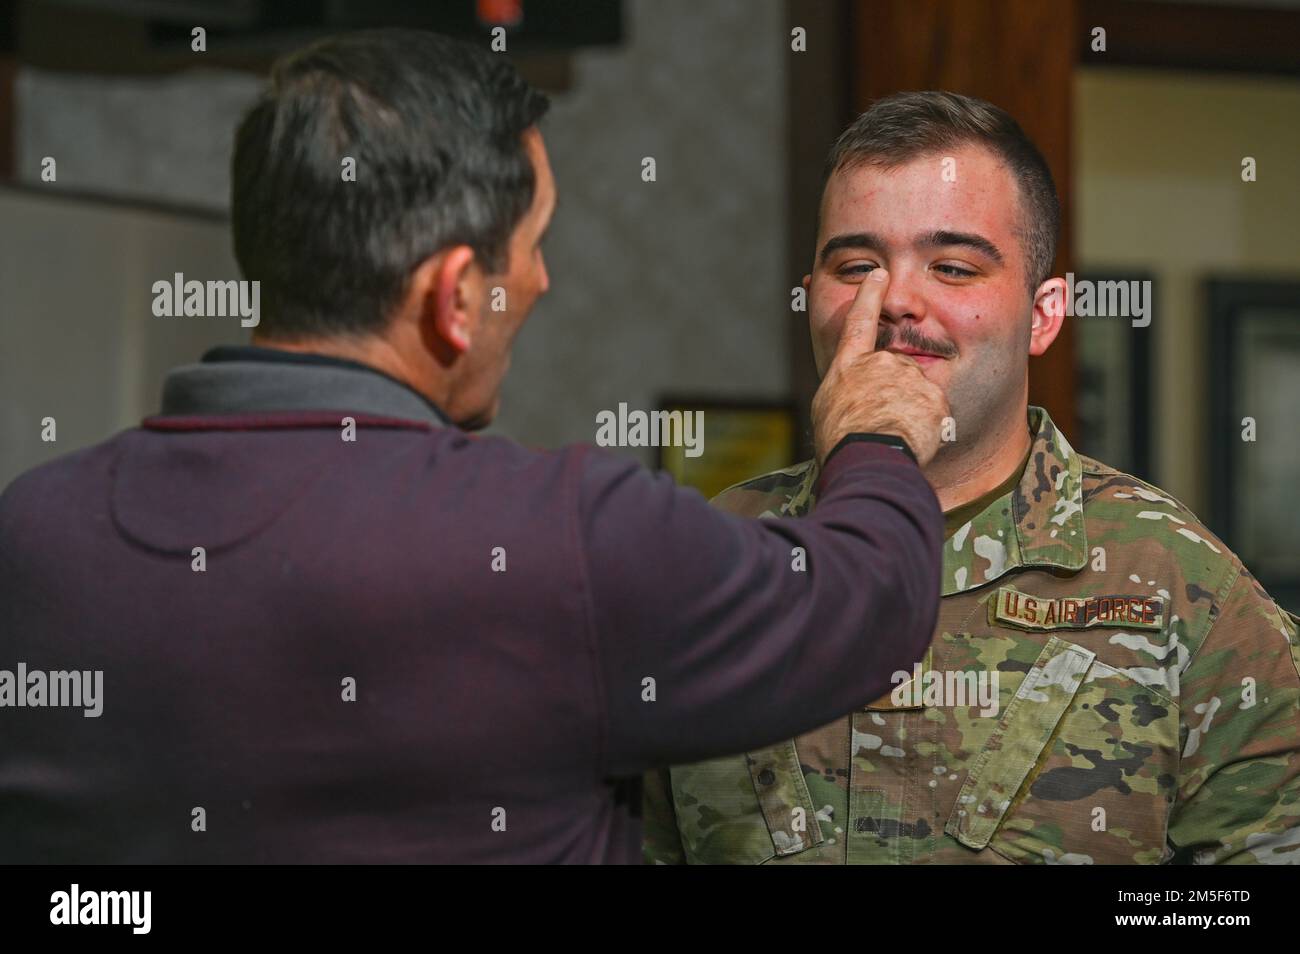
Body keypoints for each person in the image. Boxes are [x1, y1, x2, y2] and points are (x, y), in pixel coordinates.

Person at [0, 31, 950, 863]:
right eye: (532, 242)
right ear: (456, 296)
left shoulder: (32, 530)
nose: (541, 278)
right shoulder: (563, 537)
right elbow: (865, 601)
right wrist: (872, 428)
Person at [643, 91, 1300, 865]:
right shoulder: (712, 558)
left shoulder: (1175, 580)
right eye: (855, 266)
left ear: (1044, 314)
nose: (896, 304)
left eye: (953, 267)